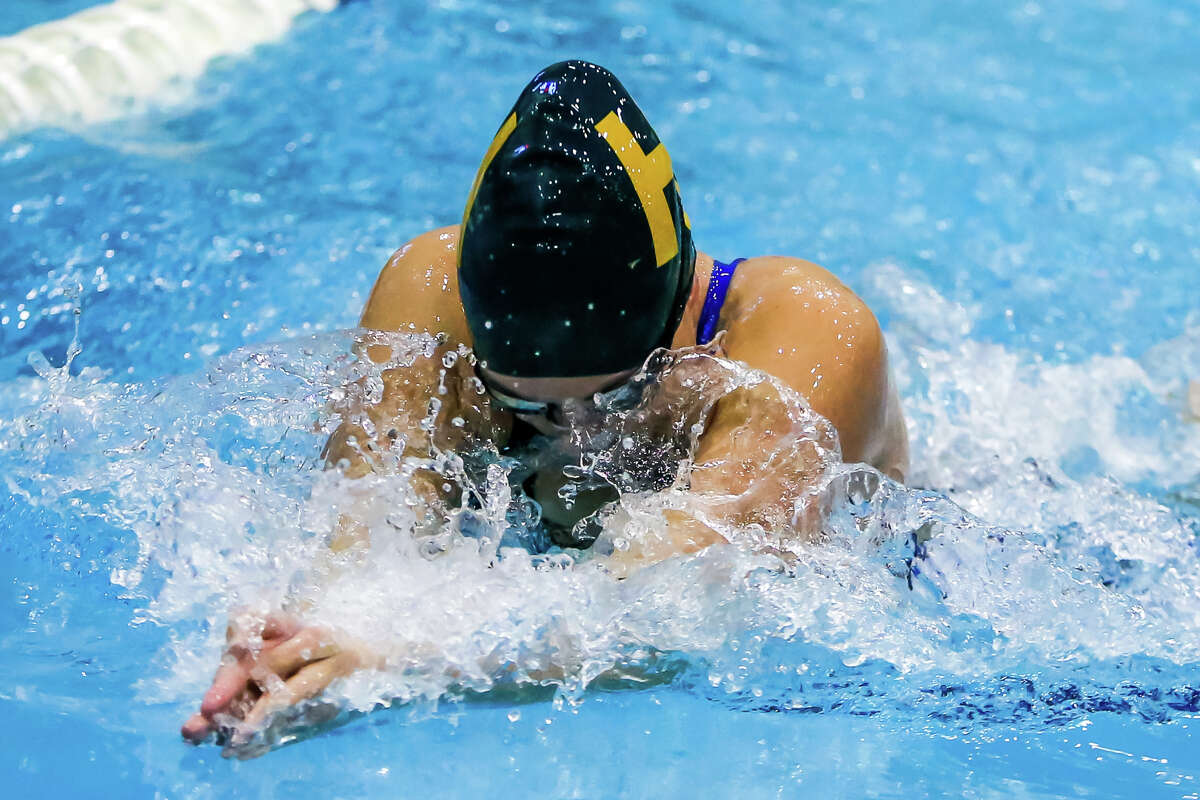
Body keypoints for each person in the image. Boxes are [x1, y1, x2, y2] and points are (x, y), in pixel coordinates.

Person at [181, 60, 908, 746]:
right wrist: (302, 638)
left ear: (678, 311)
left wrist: (401, 657)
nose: (577, 438)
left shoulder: (807, 334)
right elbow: (366, 528)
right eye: (520, 404)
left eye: (618, 396)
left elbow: (687, 608)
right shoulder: (429, 298)